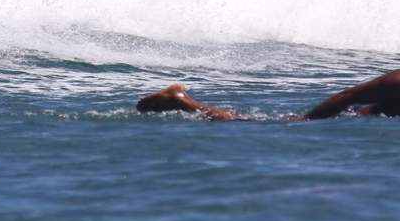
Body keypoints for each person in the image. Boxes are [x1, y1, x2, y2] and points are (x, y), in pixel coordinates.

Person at [136, 69, 400, 121]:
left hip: (355, 120)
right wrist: (309, 121)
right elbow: (349, 95)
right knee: (243, 121)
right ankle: (180, 100)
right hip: (340, 120)